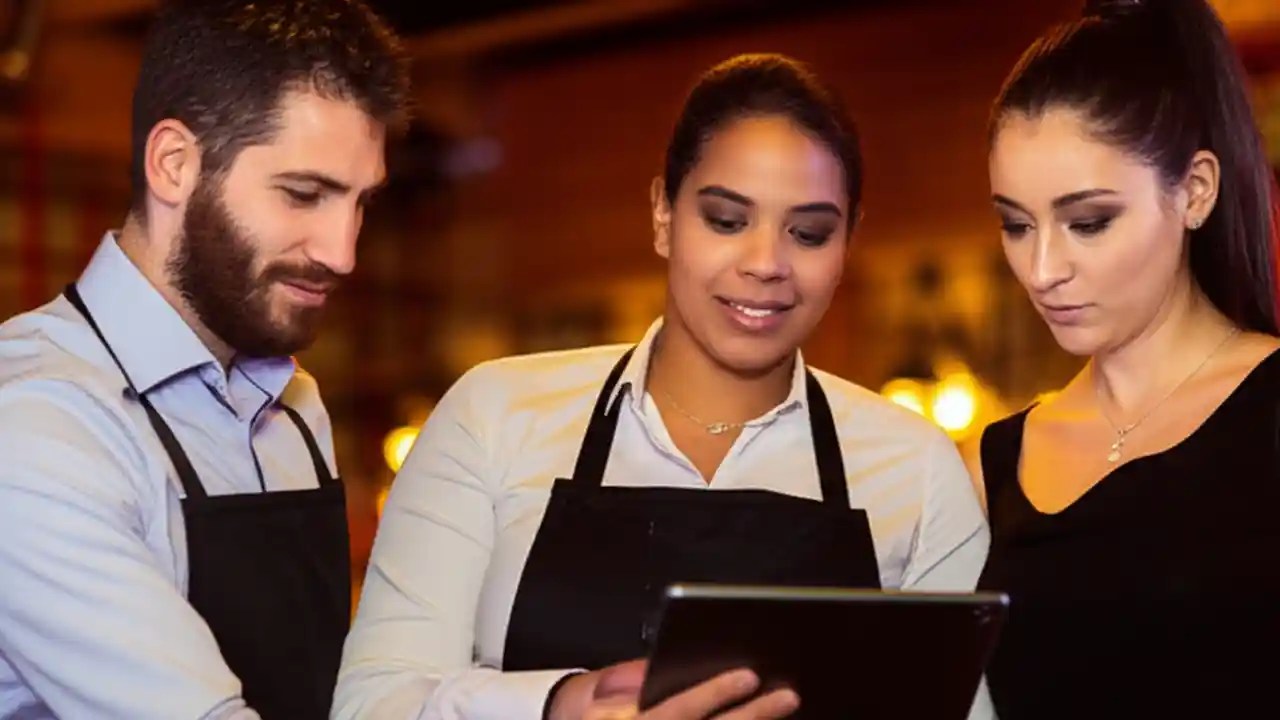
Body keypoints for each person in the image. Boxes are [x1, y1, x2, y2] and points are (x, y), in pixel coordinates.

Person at [333, 53, 990, 720]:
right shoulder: (496, 414)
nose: (766, 264)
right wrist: (556, 706)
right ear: (662, 215)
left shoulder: (917, 466)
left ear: (849, 242)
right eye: (726, 220)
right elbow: (372, 701)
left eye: (810, 233)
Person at [0, 1, 409, 718]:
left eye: (360, 203)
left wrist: (554, 702)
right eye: (304, 194)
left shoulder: (295, 405)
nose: (342, 252)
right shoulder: (34, 422)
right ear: (174, 164)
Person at [973, 0, 1280, 716]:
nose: (1043, 268)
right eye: (1016, 226)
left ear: (1194, 192)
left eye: (1089, 223)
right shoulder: (995, 464)